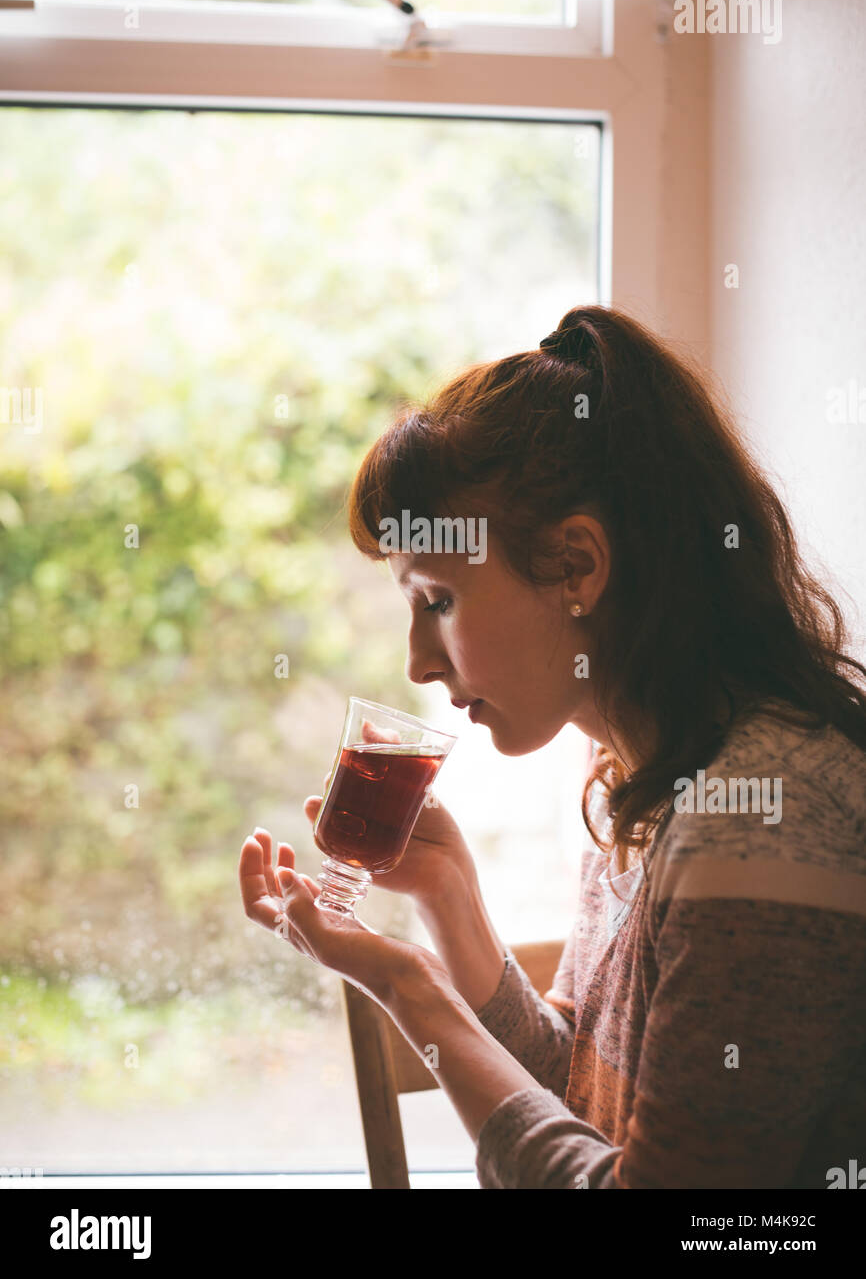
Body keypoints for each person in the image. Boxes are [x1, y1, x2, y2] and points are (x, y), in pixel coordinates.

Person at [239, 305, 866, 1188]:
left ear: (576, 567)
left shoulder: (759, 818)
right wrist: (451, 901)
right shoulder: (639, 786)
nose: (418, 663)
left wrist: (415, 992)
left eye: (438, 601)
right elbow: (584, 1096)